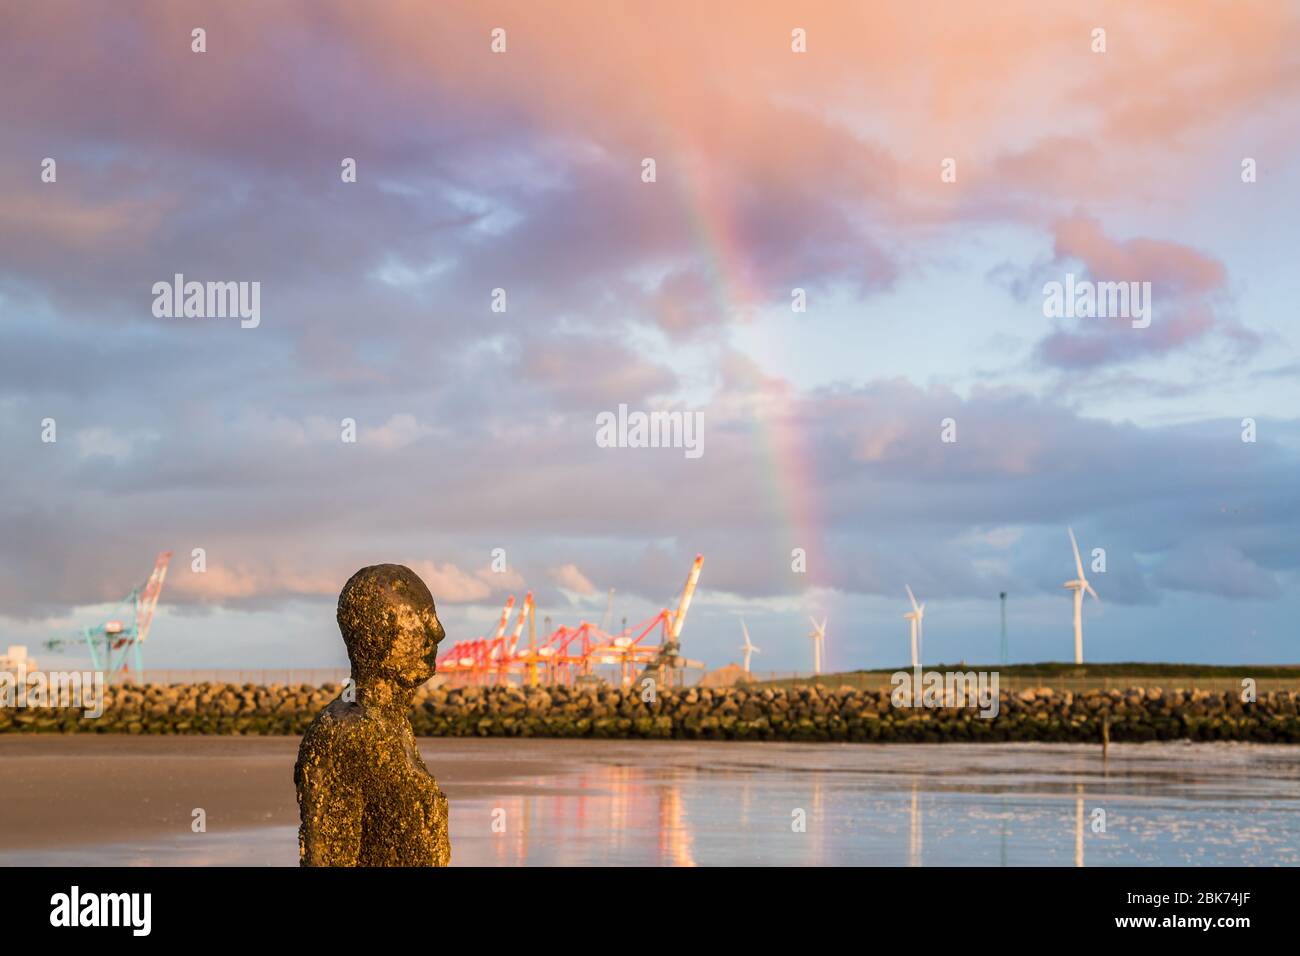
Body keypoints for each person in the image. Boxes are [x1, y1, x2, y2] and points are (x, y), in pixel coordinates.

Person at [295, 564, 451, 866]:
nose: (437, 632)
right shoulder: (344, 734)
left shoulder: (390, 726)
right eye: (418, 618)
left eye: (433, 616)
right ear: (374, 633)